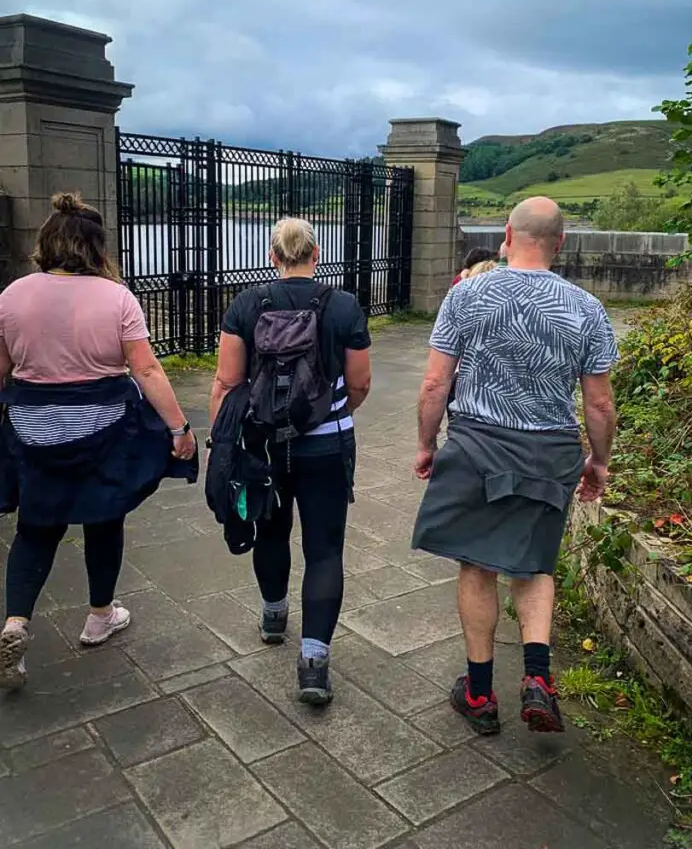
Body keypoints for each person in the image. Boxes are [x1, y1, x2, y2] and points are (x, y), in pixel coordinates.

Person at [412, 197, 618, 736]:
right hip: (550, 450)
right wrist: (598, 461)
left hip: (478, 446)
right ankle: (537, 680)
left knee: (478, 564)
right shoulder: (587, 309)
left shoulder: (467, 295)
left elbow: (435, 383)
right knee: (534, 565)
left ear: (508, 234)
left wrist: (426, 444)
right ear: (562, 242)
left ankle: (479, 692)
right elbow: (598, 405)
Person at [0, 194, 197, 691]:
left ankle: (16, 623)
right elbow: (146, 368)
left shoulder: (12, 297)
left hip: (33, 428)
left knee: (36, 528)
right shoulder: (117, 298)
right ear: (96, 247)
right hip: (102, 427)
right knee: (104, 518)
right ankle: (99, 615)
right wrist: (179, 428)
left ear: (47, 241)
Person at [209, 217, 371, 704]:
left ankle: (274, 616)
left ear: (274, 257)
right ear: (315, 254)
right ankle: (315, 663)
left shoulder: (246, 304)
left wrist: (224, 445)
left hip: (263, 447)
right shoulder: (342, 306)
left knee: (272, 530)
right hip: (326, 445)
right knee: (324, 550)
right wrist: (334, 412)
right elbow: (360, 382)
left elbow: (227, 381)